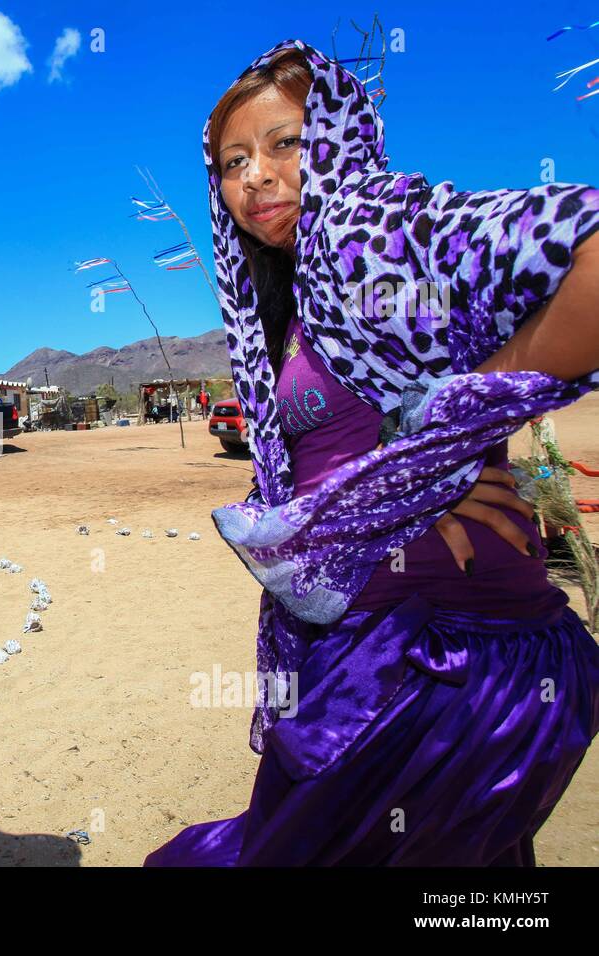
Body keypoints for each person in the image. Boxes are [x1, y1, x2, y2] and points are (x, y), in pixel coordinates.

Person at [145, 41, 599, 866]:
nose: (254, 176)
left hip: (429, 666)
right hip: (391, 658)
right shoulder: (293, 294)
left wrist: (437, 445)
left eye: (285, 143)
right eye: (232, 161)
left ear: (338, 139)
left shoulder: (365, 240)